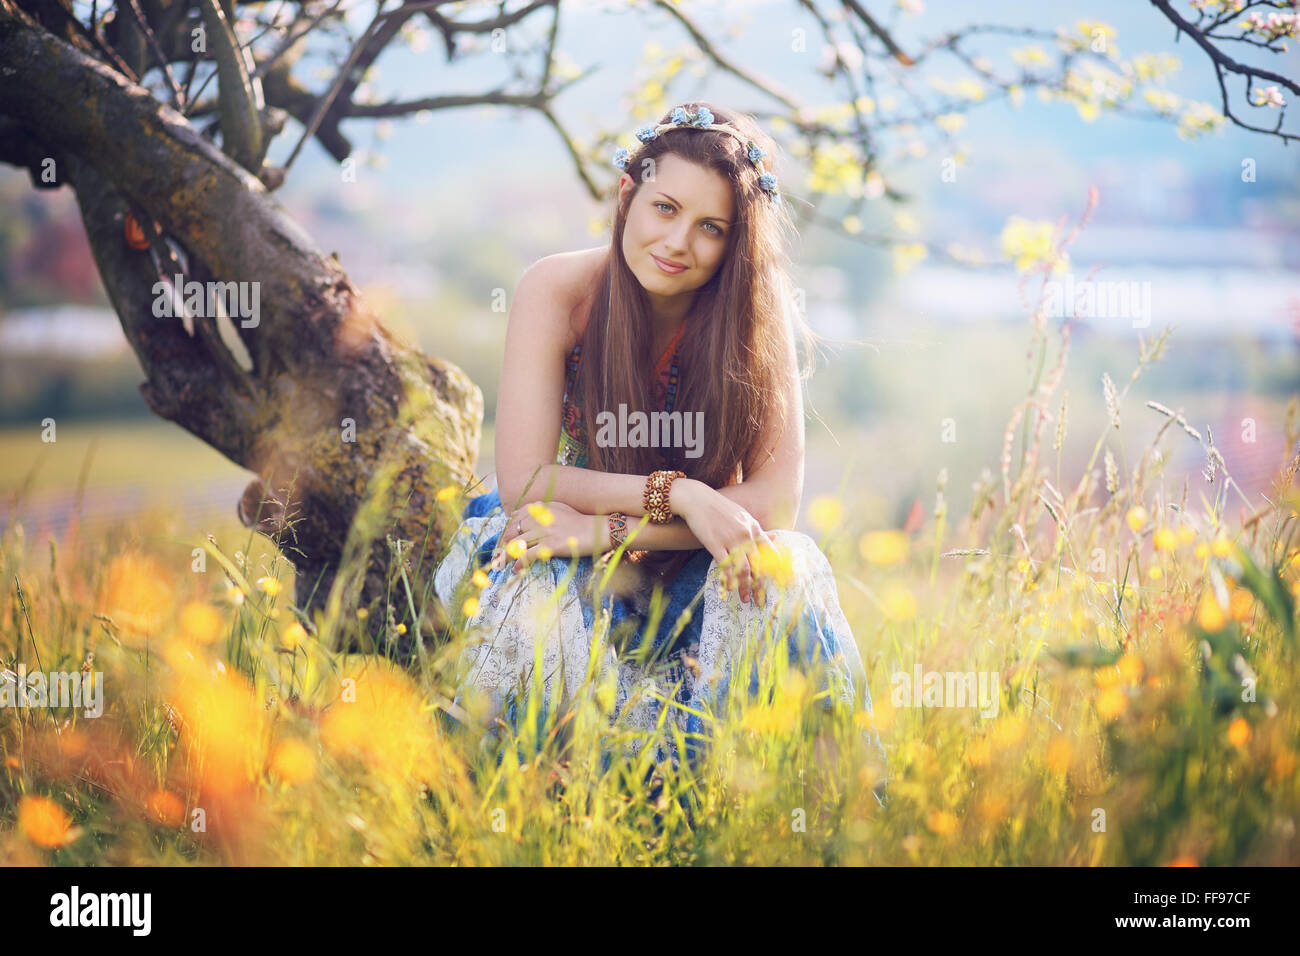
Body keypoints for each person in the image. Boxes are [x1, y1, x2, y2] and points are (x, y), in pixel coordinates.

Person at [434, 102, 887, 804]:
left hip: (688, 555)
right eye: (665, 208)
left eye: (712, 228)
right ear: (627, 196)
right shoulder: (557, 291)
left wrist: (610, 528)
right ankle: (533, 807)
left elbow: (773, 503)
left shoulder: (758, 313)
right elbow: (526, 480)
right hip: (572, 540)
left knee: (789, 562)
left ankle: (834, 818)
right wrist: (680, 493)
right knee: (534, 574)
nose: (679, 242)